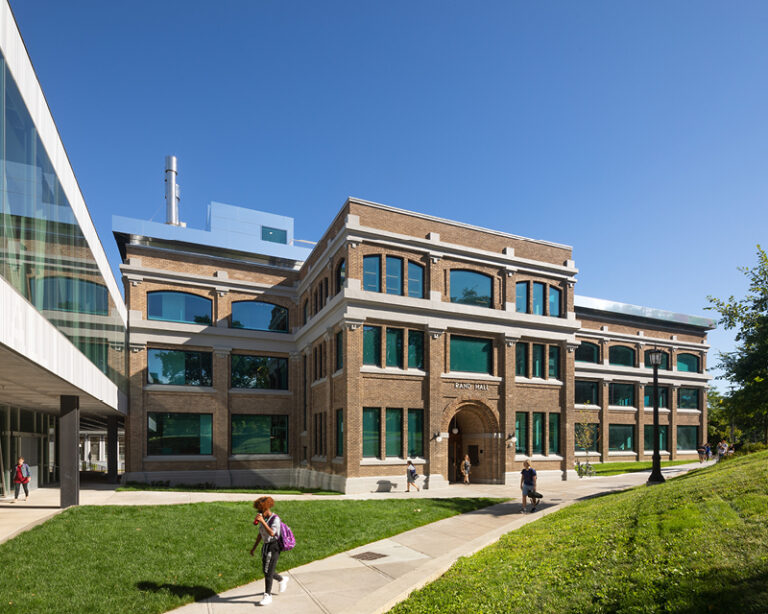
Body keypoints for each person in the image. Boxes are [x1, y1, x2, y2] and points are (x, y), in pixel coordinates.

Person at [250, 496, 289, 606]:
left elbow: (272, 533)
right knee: (266, 570)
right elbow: (260, 534)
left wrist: (262, 521)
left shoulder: (275, 519)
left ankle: (267, 595)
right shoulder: (265, 519)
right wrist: (254, 548)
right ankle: (281, 579)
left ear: (266, 508)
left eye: (260, 510)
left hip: (274, 546)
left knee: (268, 572)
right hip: (266, 546)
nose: (258, 512)